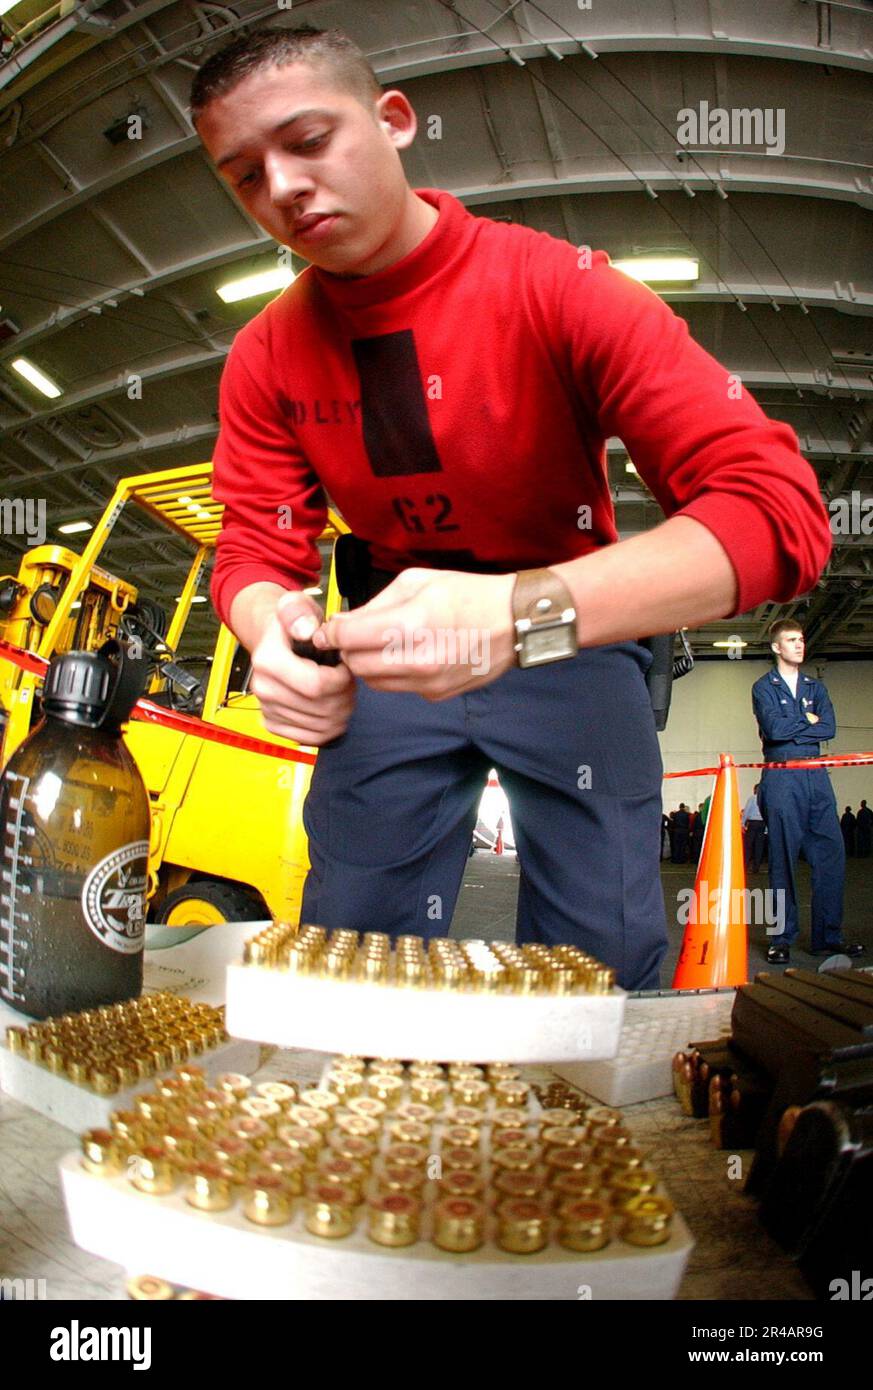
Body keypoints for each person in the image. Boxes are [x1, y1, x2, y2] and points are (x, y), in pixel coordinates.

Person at [193, 26, 832, 990]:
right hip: (382, 646)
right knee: (349, 949)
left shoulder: (562, 290)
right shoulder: (265, 358)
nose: (280, 187)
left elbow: (780, 515)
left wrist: (515, 614)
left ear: (394, 120)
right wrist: (267, 633)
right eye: (243, 174)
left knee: (601, 962)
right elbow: (252, 545)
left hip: (565, 632)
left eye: (308, 140)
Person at [752, 621, 864, 964]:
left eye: (801, 639)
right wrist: (808, 721)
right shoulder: (764, 687)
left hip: (816, 775)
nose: (799, 645)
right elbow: (774, 730)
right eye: (791, 640)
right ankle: (781, 938)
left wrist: (800, 726)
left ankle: (827, 937)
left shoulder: (816, 687)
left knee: (831, 855)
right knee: (783, 859)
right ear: (776, 647)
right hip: (783, 775)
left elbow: (828, 727)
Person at [741, 783, 766, 873]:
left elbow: (746, 811)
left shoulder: (752, 799)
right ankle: (756, 867)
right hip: (762, 823)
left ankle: (745, 866)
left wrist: (742, 823)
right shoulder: (765, 799)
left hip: (752, 823)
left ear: (754, 790)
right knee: (759, 846)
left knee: (748, 846)